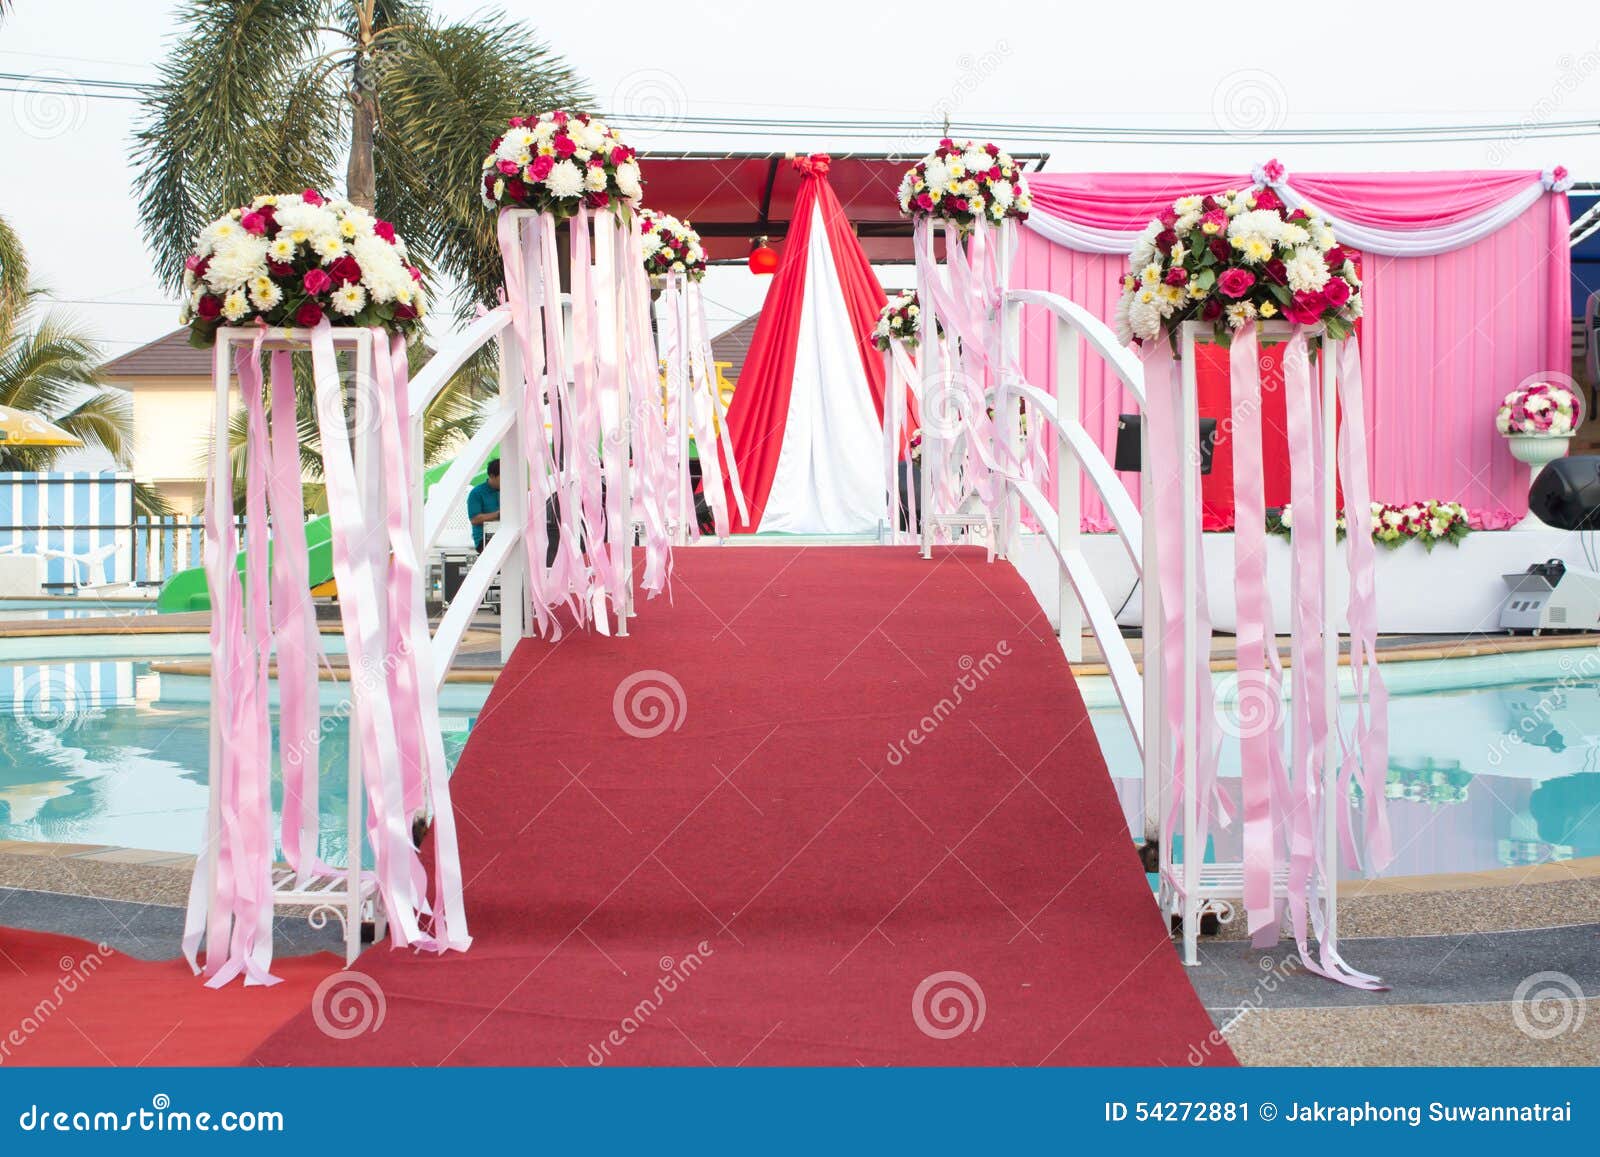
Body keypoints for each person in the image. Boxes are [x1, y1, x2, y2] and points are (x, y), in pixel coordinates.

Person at [467, 458, 501, 550]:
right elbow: (474, 519)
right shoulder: (477, 492)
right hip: (485, 539)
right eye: (502, 477)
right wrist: (499, 514)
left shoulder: (509, 490)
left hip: (505, 534)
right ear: (492, 476)